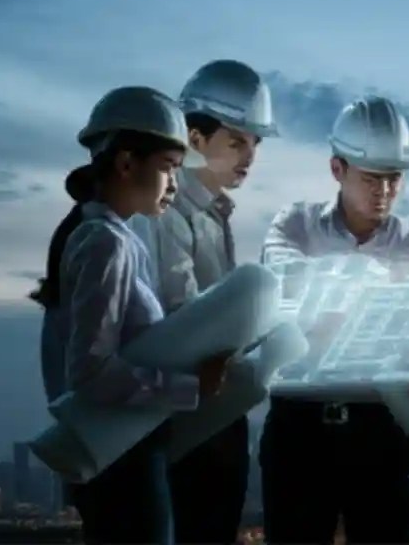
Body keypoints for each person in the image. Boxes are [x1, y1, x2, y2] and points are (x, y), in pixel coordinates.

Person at [32, 86, 233, 545]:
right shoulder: (104, 243)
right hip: (123, 464)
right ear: (126, 163)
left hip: (125, 455)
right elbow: (90, 372)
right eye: (168, 167)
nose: (175, 184)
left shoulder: (110, 237)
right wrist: (189, 387)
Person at [258, 94, 409, 545]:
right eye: (371, 178)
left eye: (393, 178)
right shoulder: (295, 226)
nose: (383, 191)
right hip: (299, 433)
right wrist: (381, 293)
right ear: (337, 168)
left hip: (382, 433)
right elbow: (288, 285)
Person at [128, 59, 277, 545]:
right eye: (237, 141)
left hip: (215, 412)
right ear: (194, 138)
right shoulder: (168, 212)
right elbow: (181, 319)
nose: (249, 155)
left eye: (255, 143)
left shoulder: (213, 213)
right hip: (185, 416)